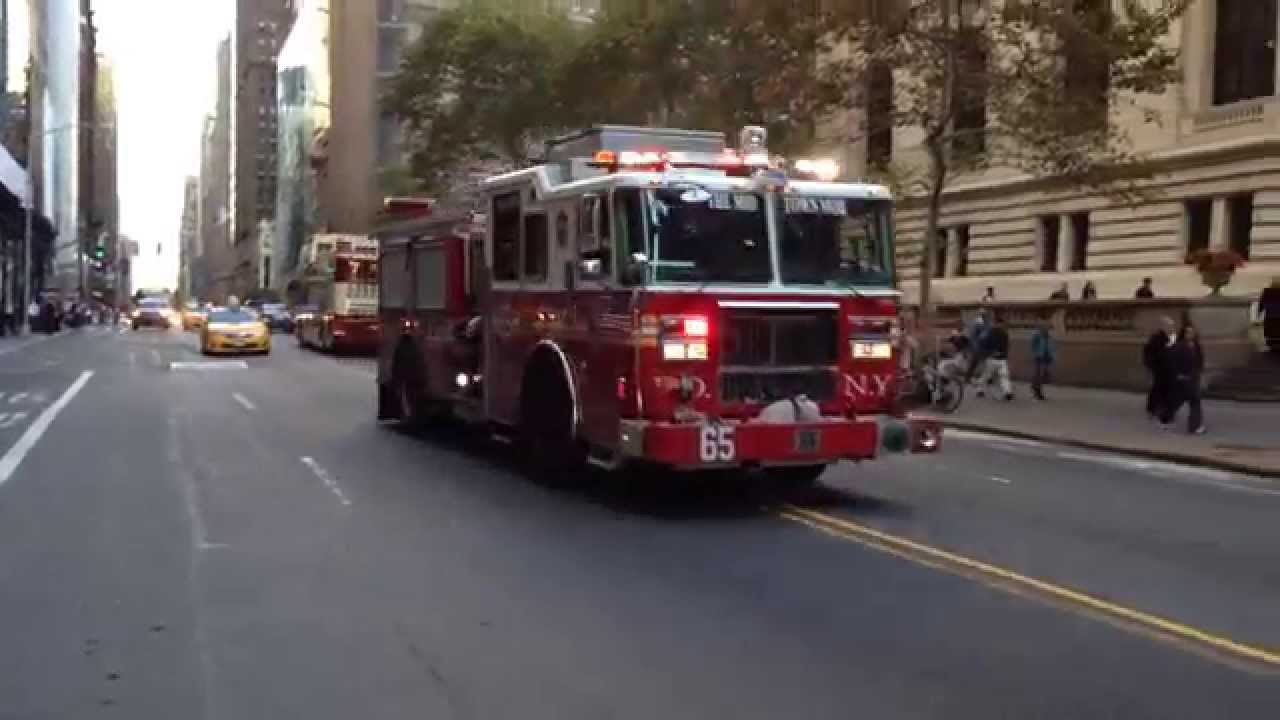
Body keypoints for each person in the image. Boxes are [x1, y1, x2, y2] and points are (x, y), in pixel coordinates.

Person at [1161, 326, 1206, 434]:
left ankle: (1194, 427)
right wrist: (1177, 374)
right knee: (1179, 401)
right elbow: (1172, 362)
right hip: (1183, 379)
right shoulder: (1179, 346)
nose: (1191, 334)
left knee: (1194, 401)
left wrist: (1200, 372)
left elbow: (1200, 360)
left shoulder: (1196, 346)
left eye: (1192, 332)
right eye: (1188, 332)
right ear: (1184, 334)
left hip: (1193, 378)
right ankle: (1165, 417)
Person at [1142, 316, 1177, 420]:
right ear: (1164, 327)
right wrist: (1150, 365)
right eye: (1169, 326)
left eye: (1172, 326)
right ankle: (1152, 409)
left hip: (1169, 368)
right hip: (1159, 368)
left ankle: (1165, 409)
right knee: (1157, 388)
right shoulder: (1156, 338)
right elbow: (1148, 352)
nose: (1171, 328)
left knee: (1167, 389)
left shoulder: (1172, 337)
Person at [976, 314, 1014, 401]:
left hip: (997, 358)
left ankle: (1007, 392)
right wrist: (991, 352)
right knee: (987, 375)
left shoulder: (998, 333)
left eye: (1001, 324)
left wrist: (991, 352)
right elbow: (983, 343)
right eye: (999, 323)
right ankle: (980, 389)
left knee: (1003, 375)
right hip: (994, 358)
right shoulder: (992, 333)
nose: (1000, 325)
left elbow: (1006, 345)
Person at [1030, 321, 1055, 401]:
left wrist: (1052, 355)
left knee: (1043, 374)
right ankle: (1038, 392)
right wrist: (1035, 353)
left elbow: (1051, 346)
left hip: (1046, 357)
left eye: (1048, 327)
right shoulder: (1037, 336)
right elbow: (1033, 346)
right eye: (1045, 327)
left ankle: (1035, 387)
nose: (1047, 328)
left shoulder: (1049, 336)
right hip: (1039, 357)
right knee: (1039, 374)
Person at [1260, 277, 1280, 353]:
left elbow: (1262, 302)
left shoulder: (1267, 291)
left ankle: (1271, 340)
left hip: (1270, 315)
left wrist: (1260, 311)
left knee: (1270, 328)